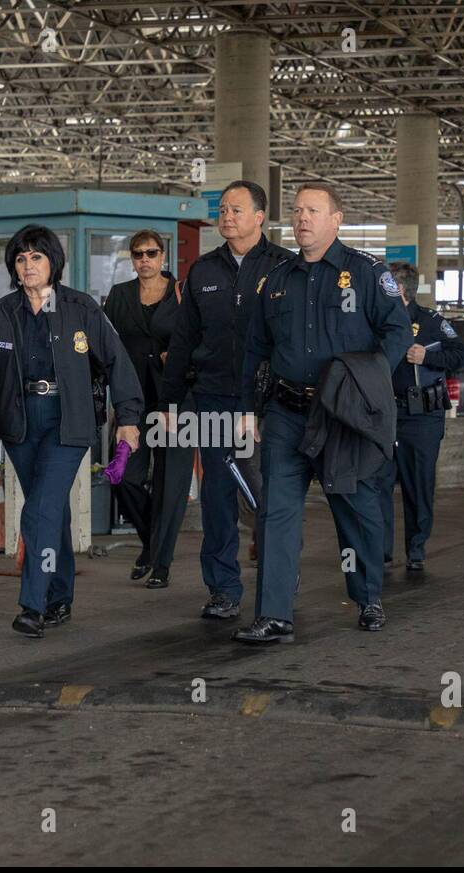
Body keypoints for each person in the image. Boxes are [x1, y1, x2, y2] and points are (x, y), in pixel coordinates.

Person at [233, 182, 410, 644]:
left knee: (353, 507)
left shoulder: (368, 274)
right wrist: (247, 410)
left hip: (341, 416)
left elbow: (397, 333)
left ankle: (368, 597)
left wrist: (366, 386)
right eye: (296, 211)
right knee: (278, 513)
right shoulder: (275, 279)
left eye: (313, 210)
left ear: (336, 219)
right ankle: (274, 614)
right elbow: (255, 350)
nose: (302, 218)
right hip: (287, 413)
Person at [0, 225, 143, 637]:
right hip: (20, 422)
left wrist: (129, 418)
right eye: (21, 258)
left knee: (41, 508)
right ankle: (61, 595)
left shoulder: (82, 309)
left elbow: (118, 362)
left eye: (36, 257)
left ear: (53, 263)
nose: (28, 265)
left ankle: (34, 603)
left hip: (70, 421)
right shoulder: (2, 313)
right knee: (52, 510)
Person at [160, 180, 293, 620]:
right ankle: (223, 588)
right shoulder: (203, 270)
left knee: (271, 490)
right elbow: (183, 340)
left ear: (260, 217)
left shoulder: (285, 268)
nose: (227, 216)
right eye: (223, 210)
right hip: (214, 400)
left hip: (270, 400)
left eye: (237, 210)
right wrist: (170, 401)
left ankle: (278, 575)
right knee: (217, 495)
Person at [102, 229, 193, 588]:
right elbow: (106, 344)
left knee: (170, 483)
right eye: (138, 254)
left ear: (163, 257)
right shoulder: (120, 296)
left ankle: (161, 564)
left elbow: (200, 338)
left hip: (177, 402)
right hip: (133, 401)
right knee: (121, 474)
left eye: (151, 253)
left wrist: (182, 359)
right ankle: (150, 543)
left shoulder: (184, 294)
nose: (144, 260)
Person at [381, 262, 464, 571]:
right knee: (379, 482)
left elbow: (460, 355)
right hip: (383, 414)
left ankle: (416, 548)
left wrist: (427, 356)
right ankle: (382, 550)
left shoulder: (431, 321)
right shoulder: (375, 319)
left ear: (400, 289)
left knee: (418, 483)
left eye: (386, 284)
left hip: (420, 416)